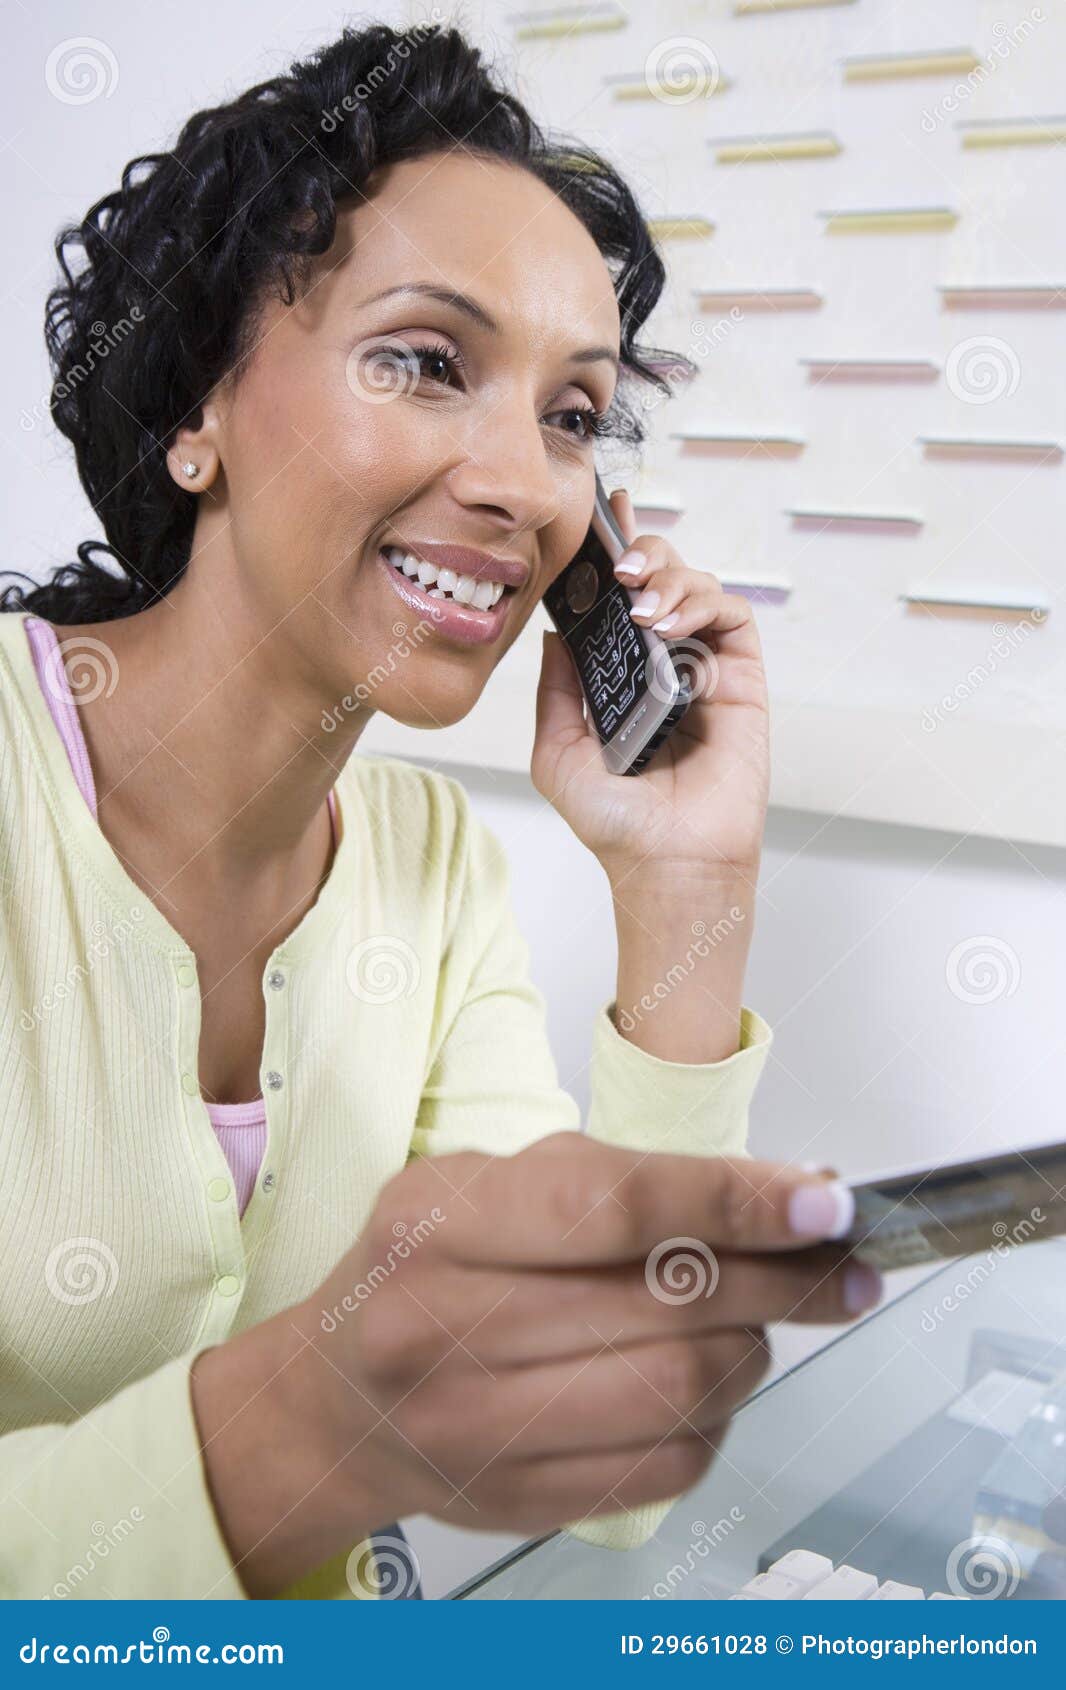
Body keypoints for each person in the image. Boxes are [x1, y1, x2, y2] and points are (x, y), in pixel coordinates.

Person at [0, 21, 881, 1601]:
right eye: (423, 360)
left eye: (571, 415)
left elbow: (594, 1452)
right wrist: (299, 1431)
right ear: (195, 399)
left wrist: (686, 886)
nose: (529, 487)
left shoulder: (425, 859)